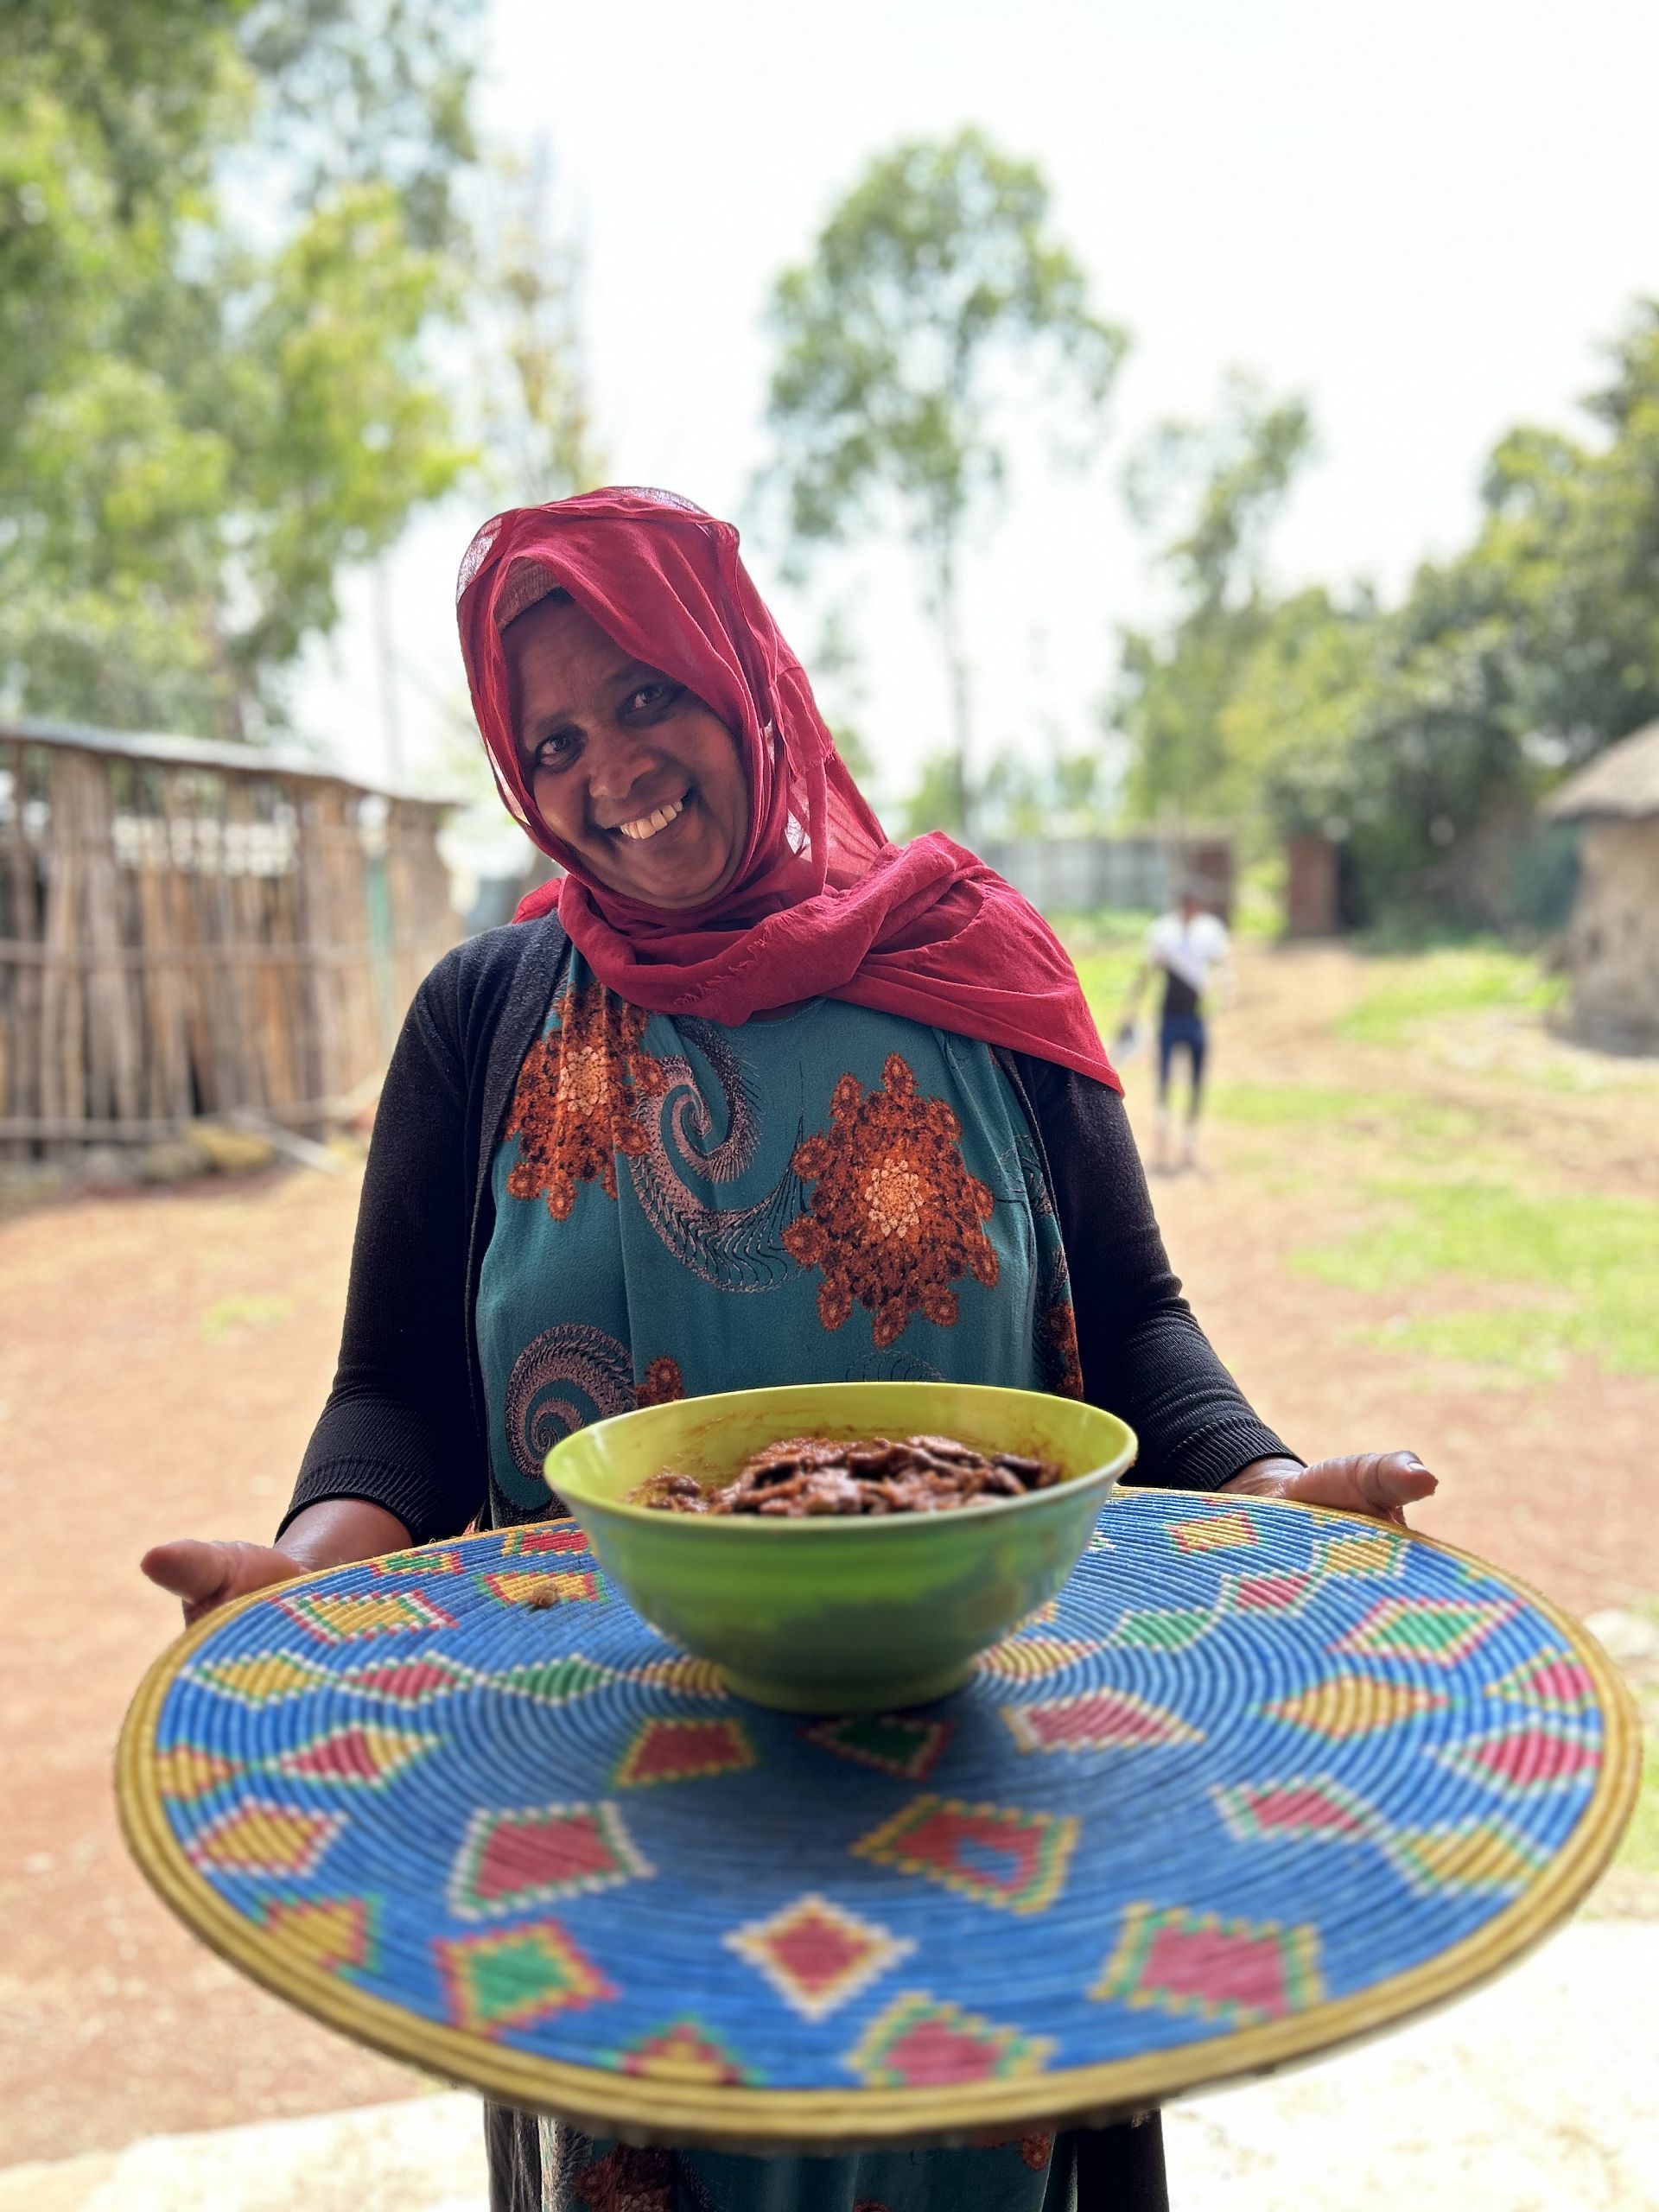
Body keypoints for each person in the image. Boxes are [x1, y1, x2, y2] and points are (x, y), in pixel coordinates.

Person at [141, 487, 1437, 2212]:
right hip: (612, 1804)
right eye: (555, 738)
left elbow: (1130, 1326)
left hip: (983, 1775)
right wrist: (303, 1570)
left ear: (737, 670)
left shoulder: (976, 964)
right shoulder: (489, 1014)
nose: (611, 765)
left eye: (646, 694)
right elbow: (400, 1400)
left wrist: (1278, 1488)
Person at [1122, 887, 1231, 1173]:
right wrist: (1132, 1009)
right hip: (1170, 1018)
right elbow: (1147, 971)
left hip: (1195, 1017)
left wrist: (1224, 991)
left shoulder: (1208, 933)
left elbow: (1221, 965)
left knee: (1196, 1078)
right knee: (1165, 1077)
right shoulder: (1164, 933)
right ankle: (1163, 1134)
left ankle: (1189, 1138)